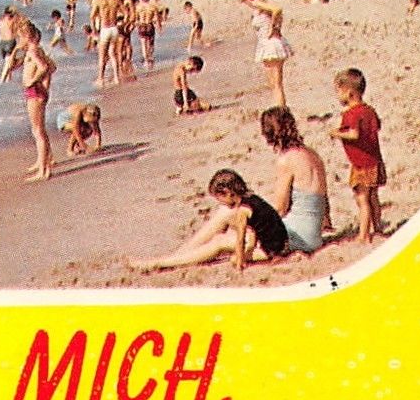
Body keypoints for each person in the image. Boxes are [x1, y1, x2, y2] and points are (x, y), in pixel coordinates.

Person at [132, 169, 288, 273]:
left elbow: (240, 239)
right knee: (221, 240)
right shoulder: (251, 199)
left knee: (219, 244)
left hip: (272, 251)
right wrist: (250, 247)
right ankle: (176, 258)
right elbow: (256, 229)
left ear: (228, 193)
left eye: (220, 199)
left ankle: (161, 263)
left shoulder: (242, 211)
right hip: (280, 243)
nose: (221, 203)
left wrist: (240, 262)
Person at [261, 106, 330, 252]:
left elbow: (280, 209)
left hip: (297, 236)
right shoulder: (312, 154)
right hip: (315, 236)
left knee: (226, 239)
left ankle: (197, 256)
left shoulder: (286, 160)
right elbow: (324, 200)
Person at [329, 68, 384, 244]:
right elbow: (377, 126)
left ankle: (363, 235)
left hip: (361, 164)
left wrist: (337, 133)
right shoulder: (369, 110)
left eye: (338, 91)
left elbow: (354, 134)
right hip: (374, 160)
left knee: (362, 199)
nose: (337, 96)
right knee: (373, 196)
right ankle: (378, 228)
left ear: (349, 92)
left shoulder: (351, 114)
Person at [2, 21, 56, 181]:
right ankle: (43, 163)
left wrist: (32, 81)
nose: (19, 41)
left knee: (37, 131)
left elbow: (44, 68)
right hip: (37, 90)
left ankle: (43, 170)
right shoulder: (34, 51)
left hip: (35, 91)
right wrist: (15, 52)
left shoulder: (32, 52)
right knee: (39, 130)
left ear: (27, 37)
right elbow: (51, 66)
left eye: (20, 38)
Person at [236, 0, 292, 108]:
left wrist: (274, 28)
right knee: (275, 84)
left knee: (276, 84)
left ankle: (281, 112)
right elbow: (277, 13)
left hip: (271, 44)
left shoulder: (256, 2)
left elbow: (277, 10)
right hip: (269, 44)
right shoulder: (257, 3)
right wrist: (277, 27)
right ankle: (280, 110)